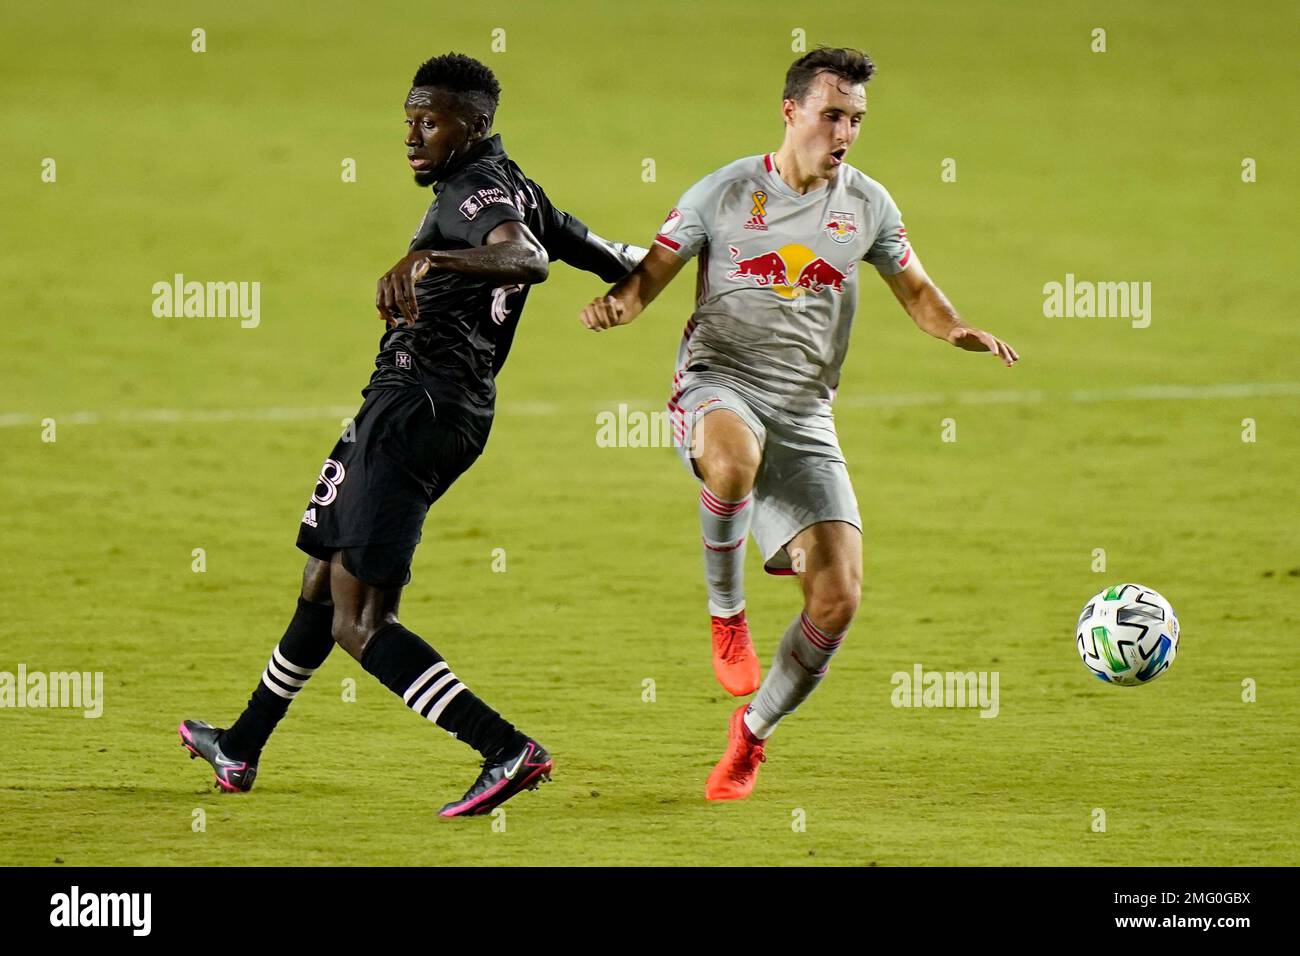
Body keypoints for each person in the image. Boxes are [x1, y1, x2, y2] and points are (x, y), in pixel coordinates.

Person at [180, 52, 644, 818]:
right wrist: (681, 262)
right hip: (413, 408)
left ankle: (504, 749)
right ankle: (242, 743)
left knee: (361, 620)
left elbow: (526, 258)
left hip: (418, 408)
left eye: (430, 121)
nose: (413, 136)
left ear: (476, 126)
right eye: (409, 120)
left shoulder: (472, 195)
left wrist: (429, 255)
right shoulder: (521, 188)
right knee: (322, 580)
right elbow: (608, 259)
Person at [579, 47, 1018, 801]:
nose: (844, 131)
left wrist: (956, 329)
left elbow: (917, 291)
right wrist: (618, 305)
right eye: (831, 115)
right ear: (791, 112)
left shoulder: (868, 205)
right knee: (730, 463)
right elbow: (649, 277)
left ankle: (752, 734)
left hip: (807, 411)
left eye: (856, 119)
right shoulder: (723, 193)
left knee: (838, 597)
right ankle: (727, 616)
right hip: (717, 382)